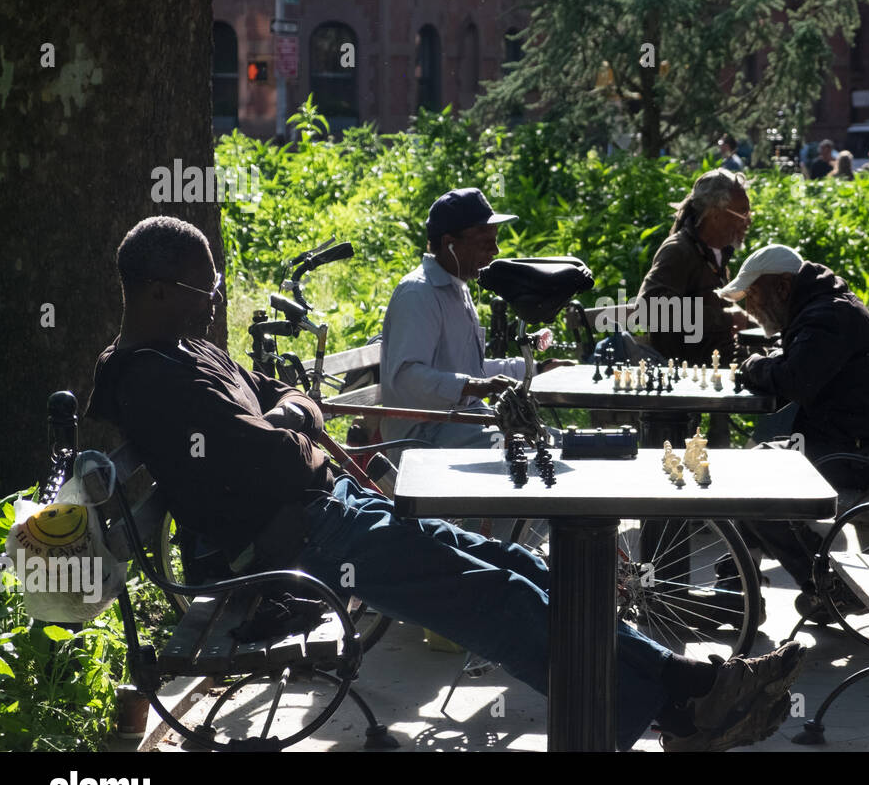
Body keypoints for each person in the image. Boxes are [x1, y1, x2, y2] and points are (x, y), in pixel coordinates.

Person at [86, 216, 806, 753]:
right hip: (290, 549)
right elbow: (274, 452)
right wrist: (292, 421)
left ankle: (686, 688)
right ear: (155, 290)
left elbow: (285, 399)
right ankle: (684, 707)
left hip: (328, 513)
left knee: (519, 564)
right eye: (204, 288)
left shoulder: (187, 348)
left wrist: (291, 417)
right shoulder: (148, 376)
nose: (216, 301)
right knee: (496, 597)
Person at [718, 244, 869, 620]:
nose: (747, 307)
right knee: (752, 468)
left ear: (783, 287)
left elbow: (794, 380)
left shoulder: (826, 315)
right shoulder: (823, 307)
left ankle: (825, 584)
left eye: (752, 295)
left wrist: (752, 365)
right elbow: (798, 368)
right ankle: (739, 581)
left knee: (754, 482)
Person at [380, 188, 572, 449]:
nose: (495, 250)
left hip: (463, 422)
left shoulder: (457, 287)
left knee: (559, 441)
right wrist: (474, 386)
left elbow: (473, 372)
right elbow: (406, 377)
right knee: (541, 447)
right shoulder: (418, 293)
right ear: (450, 243)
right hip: (424, 433)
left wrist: (537, 369)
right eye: (485, 242)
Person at [637, 169, 755, 444]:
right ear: (715, 212)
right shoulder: (679, 251)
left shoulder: (717, 255)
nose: (748, 221)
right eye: (742, 213)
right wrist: (724, 318)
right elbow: (650, 307)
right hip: (684, 386)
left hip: (715, 377)